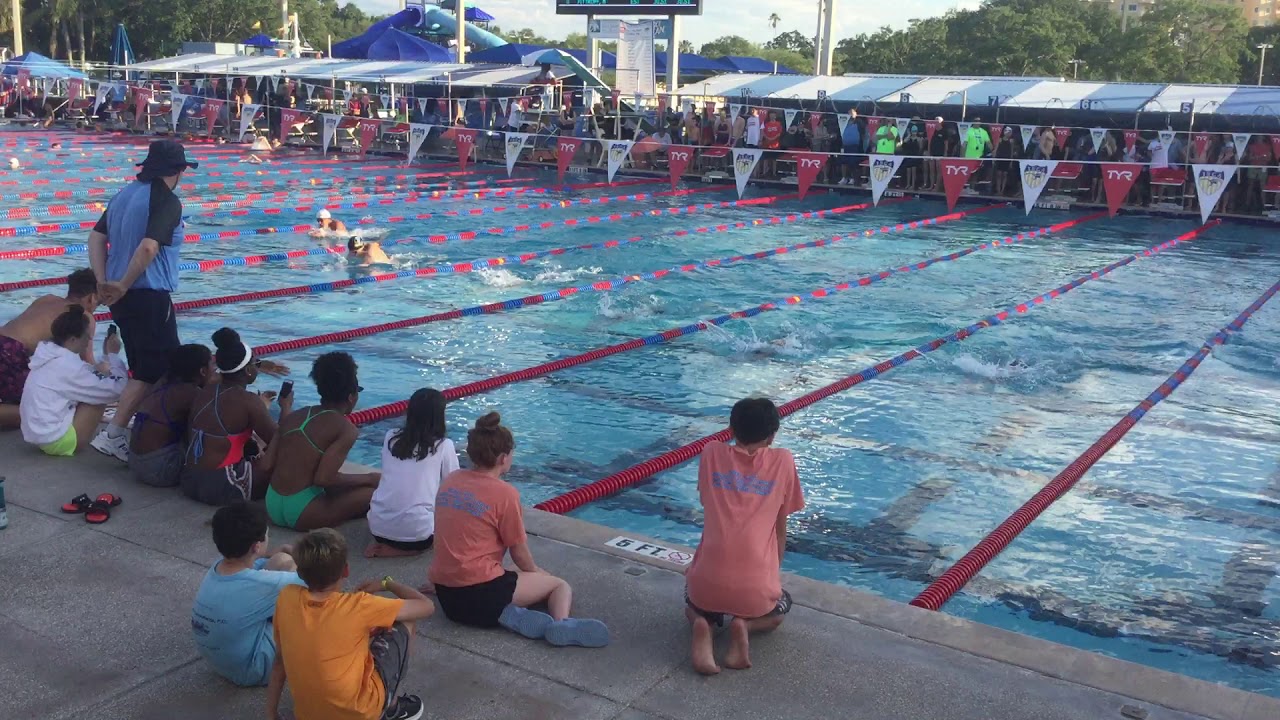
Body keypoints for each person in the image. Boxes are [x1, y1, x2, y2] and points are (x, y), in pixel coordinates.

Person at [427, 412, 609, 647]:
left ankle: (509, 613)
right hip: (483, 596)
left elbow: (445, 536)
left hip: (448, 599)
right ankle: (561, 624)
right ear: (503, 458)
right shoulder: (505, 494)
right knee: (558, 585)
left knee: (508, 571)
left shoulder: (452, 480)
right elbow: (520, 553)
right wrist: (538, 574)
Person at [87, 139, 198, 462]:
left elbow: (96, 237)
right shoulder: (166, 201)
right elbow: (149, 247)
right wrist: (120, 283)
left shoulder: (123, 195)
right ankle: (115, 434)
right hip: (148, 296)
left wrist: (102, 281)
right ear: (177, 171)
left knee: (143, 367)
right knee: (158, 370)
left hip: (122, 299)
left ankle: (143, 432)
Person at [684, 397, 805, 675]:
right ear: (772, 436)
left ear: (730, 428)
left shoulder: (710, 453)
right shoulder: (783, 461)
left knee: (692, 590)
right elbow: (780, 530)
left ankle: (703, 624)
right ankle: (745, 626)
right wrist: (771, 575)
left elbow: (706, 501)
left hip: (706, 583)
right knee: (779, 610)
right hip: (754, 590)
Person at [267, 528, 433, 720]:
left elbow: (280, 661)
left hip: (307, 715)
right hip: (360, 712)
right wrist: (387, 583)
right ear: (346, 569)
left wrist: (271, 714)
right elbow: (426, 606)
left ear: (301, 574)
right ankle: (392, 708)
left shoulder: (287, 597)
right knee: (406, 621)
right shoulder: (359, 605)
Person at [264, 352, 380, 530]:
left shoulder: (294, 416)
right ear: (351, 397)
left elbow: (266, 465)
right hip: (303, 512)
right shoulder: (346, 429)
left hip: (272, 504)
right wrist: (370, 478)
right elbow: (324, 479)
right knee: (376, 494)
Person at [191, 502, 302, 687]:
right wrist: (298, 556)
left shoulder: (218, 567)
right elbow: (318, 582)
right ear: (256, 546)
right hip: (254, 669)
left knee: (281, 560)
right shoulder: (262, 584)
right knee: (297, 578)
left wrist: (278, 553)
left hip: (219, 662)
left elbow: (255, 566)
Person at [180, 328, 288, 505]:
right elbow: (281, 441)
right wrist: (285, 408)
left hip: (189, 480)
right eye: (254, 364)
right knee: (288, 459)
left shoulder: (206, 390)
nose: (257, 368)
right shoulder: (249, 401)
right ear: (247, 371)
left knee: (252, 447)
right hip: (220, 488)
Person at [19, 306, 127, 456]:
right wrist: (114, 356)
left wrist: (104, 359)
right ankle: (111, 440)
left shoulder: (47, 356)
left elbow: (83, 375)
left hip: (40, 436)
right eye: (87, 337)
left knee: (92, 388)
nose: (89, 341)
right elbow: (117, 390)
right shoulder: (68, 366)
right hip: (57, 441)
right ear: (72, 339)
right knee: (98, 397)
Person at [0, 268, 100, 430]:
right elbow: (87, 362)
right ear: (92, 297)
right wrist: (108, 384)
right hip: (10, 352)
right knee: (42, 413)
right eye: (99, 302)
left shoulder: (46, 299)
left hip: (5, 342)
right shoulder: (84, 317)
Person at [365, 389, 458, 559]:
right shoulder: (444, 445)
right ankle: (406, 550)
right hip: (418, 536)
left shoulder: (390, 437)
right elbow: (454, 487)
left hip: (377, 528)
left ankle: (389, 543)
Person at [129, 344, 215, 487]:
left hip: (135, 462)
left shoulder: (162, 383)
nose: (215, 370)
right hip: (159, 470)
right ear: (203, 371)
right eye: (212, 365)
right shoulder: (191, 393)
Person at [838, 109, 861, 185]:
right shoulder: (844, 123)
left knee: (852, 163)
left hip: (854, 146)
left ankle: (852, 178)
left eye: (852, 114)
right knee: (843, 162)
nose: (850, 115)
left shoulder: (858, 123)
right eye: (849, 113)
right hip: (845, 145)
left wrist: (854, 116)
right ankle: (844, 178)